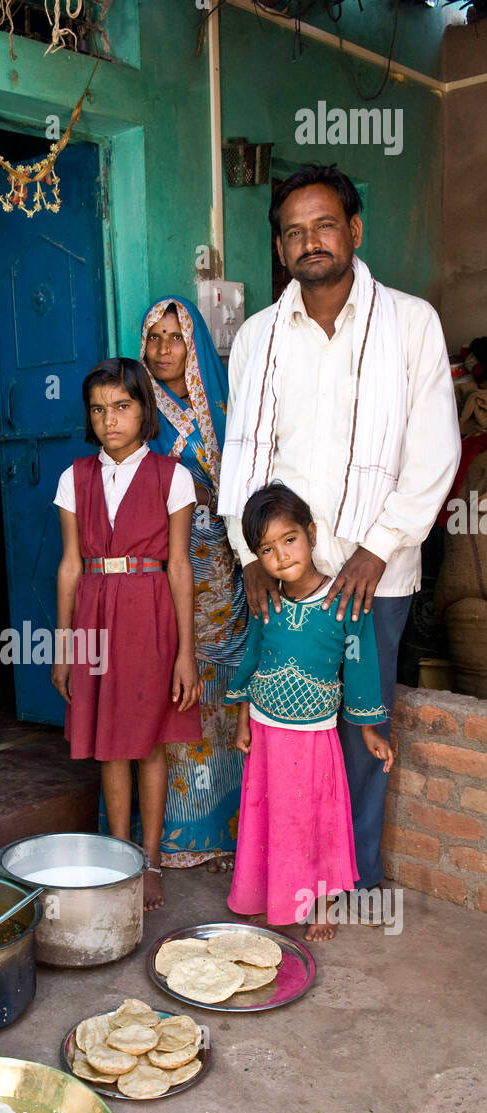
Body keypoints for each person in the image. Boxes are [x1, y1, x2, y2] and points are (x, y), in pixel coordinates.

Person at [219, 163, 460, 896]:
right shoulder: (259, 335)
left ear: (353, 230)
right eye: (292, 231)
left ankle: (349, 879)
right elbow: (244, 451)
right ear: (280, 247)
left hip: (370, 580)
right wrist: (246, 552)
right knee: (281, 726)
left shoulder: (410, 322)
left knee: (359, 727)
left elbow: (434, 448)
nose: (309, 241)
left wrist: (376, 549)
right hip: (282, 576)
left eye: (324, 225)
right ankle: (284, 869)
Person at [51, 358, 203, 911]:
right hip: (92, 611)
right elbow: (70, 565)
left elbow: (181, 566)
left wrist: (186, 652)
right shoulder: (75, 477)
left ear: (145, 410)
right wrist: (64, 647)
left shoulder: (172, 475)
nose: (109, 419)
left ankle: (153, 860)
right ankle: (121, 862)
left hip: (149, 612)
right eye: (98, 409)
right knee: (110, 746)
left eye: (122, 406)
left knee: (150, 743)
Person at [225, 483, 393, 941]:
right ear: (257, 557)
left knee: (314, 820)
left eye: (289, 539)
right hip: (266, 734)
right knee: (269, 816)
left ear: (312, 534)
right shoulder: (267, 604)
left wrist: (371, 732)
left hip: (315, 738)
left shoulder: (344, 604)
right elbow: (251, 661)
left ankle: (319, 904)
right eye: (266, 549)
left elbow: (360, 668)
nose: (280, 556)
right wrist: (243, 721)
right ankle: (265, 895)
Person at [140, 296, 248, 873]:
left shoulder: (226, 404)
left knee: (229, 685)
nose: (162, 349)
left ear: (194, 345)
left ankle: (226, 826)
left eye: (174, 337)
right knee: (179, 683)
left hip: (232, 567)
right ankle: (176, 834)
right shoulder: (142, 410)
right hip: (171, 564)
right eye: (153, 337)